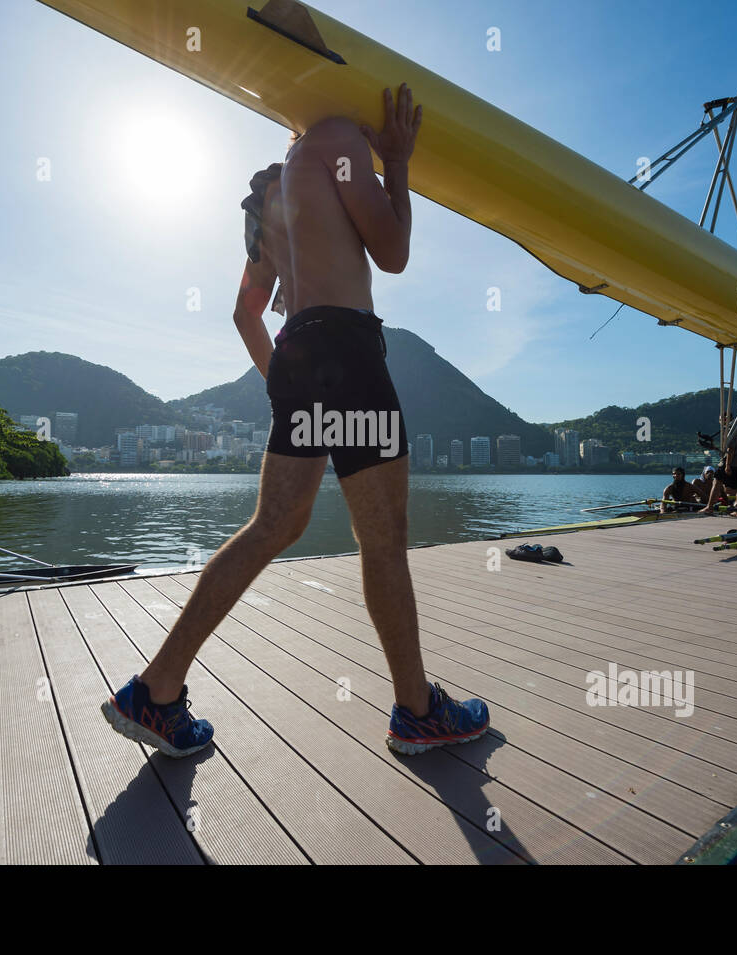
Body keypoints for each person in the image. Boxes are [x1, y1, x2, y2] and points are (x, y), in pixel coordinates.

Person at [101, 85, 489, 758]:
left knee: (274, 525)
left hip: (301, 357)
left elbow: (245, 312)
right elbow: (391, 251)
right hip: (346, 349)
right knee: (384, 536)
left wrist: (282, 383)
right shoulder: (337, 140)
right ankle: (418, 710)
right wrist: (395, 160)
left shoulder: (272, 205)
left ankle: (155, 689)